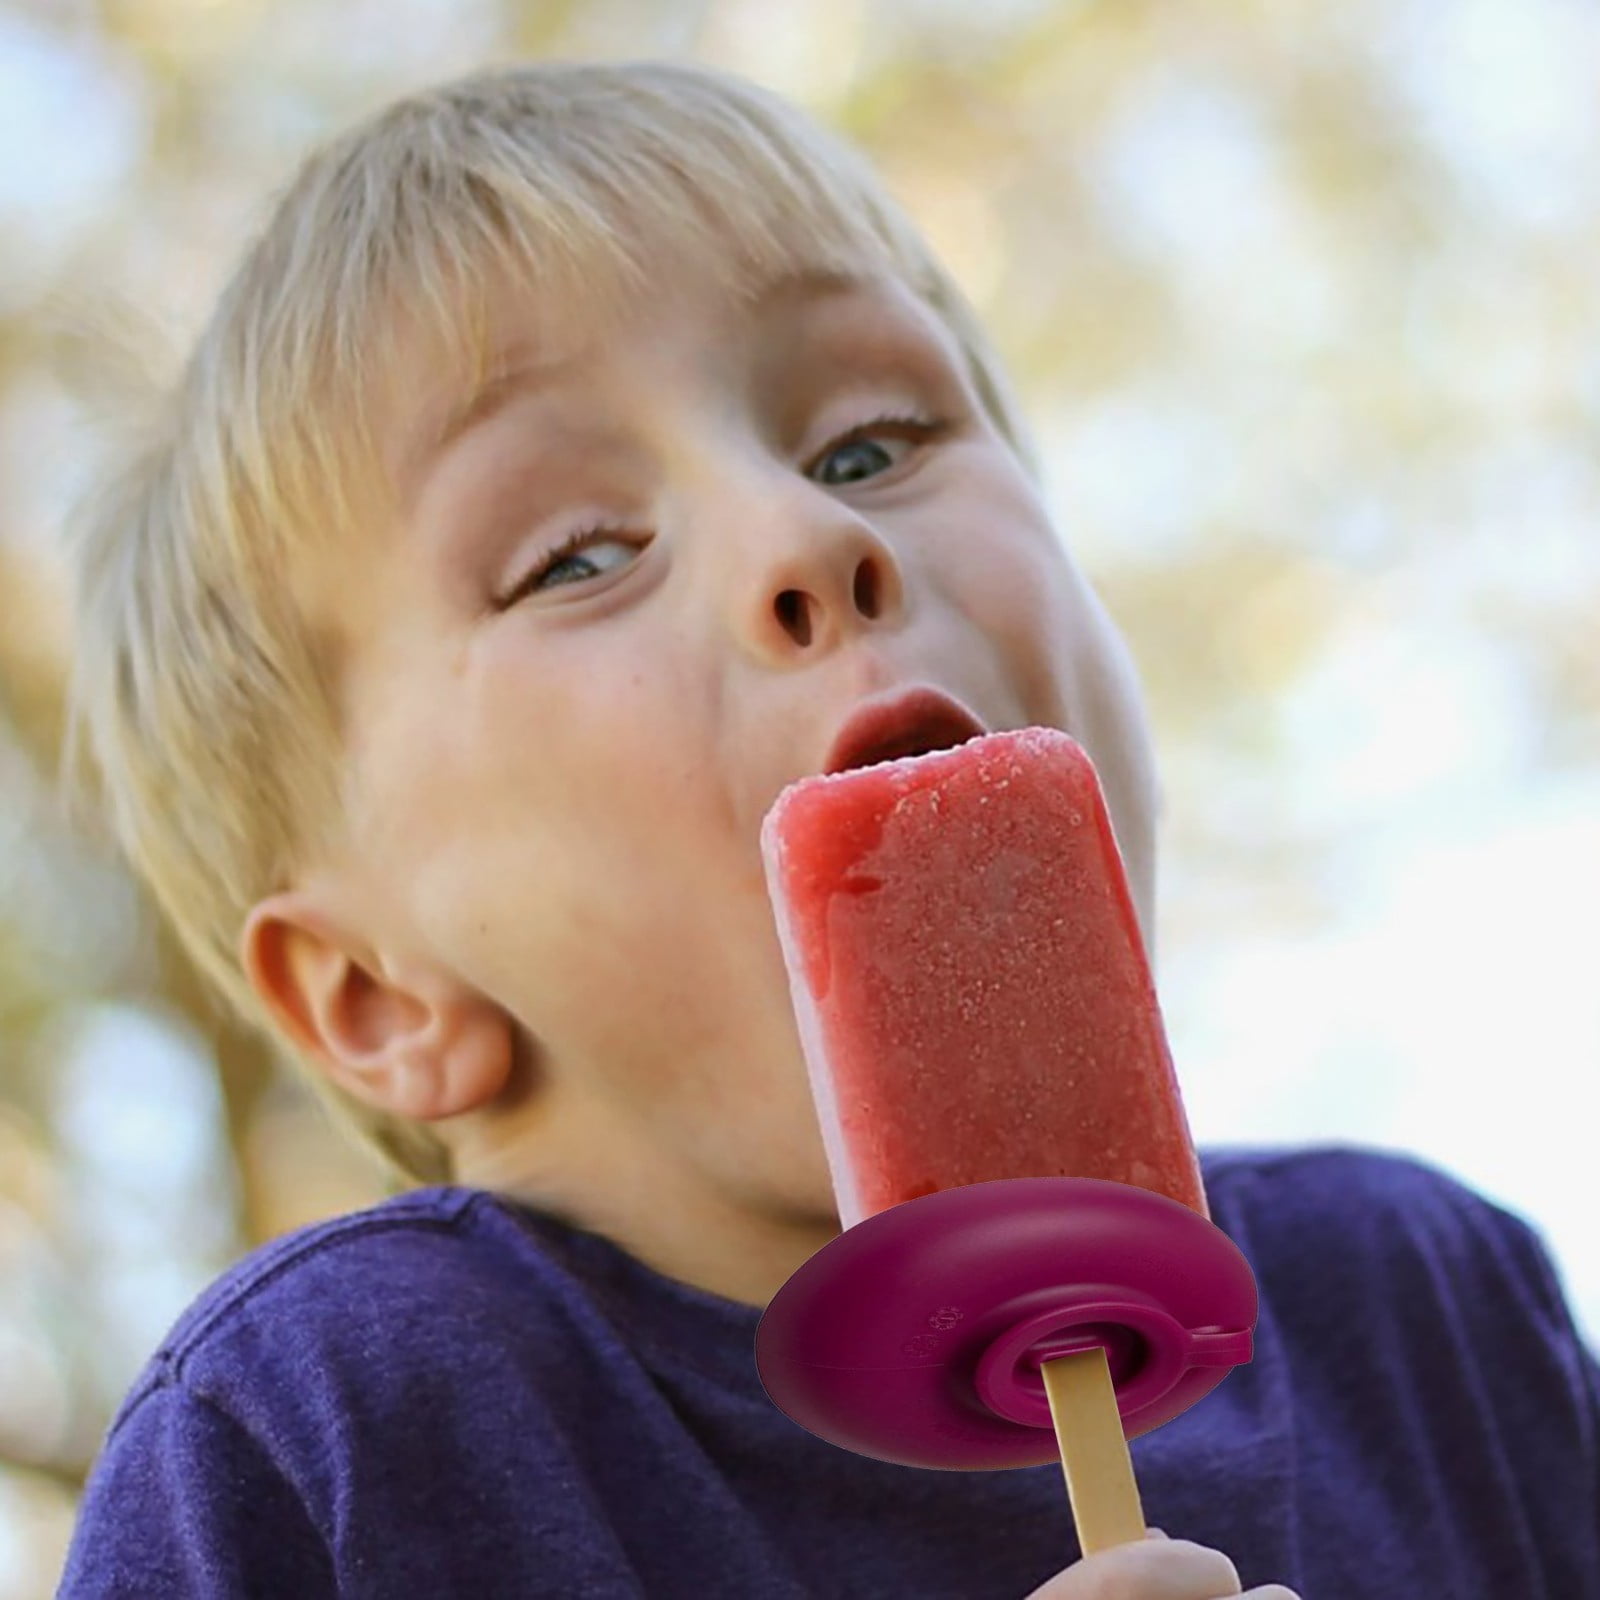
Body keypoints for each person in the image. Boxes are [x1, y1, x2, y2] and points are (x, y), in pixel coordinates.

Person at [53, 58, 1597, 1599]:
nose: (812, 535)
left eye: (870, 442)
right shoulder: (330, 1439)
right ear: (376, 994)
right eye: (580, 555)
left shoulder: (1424, 1315)